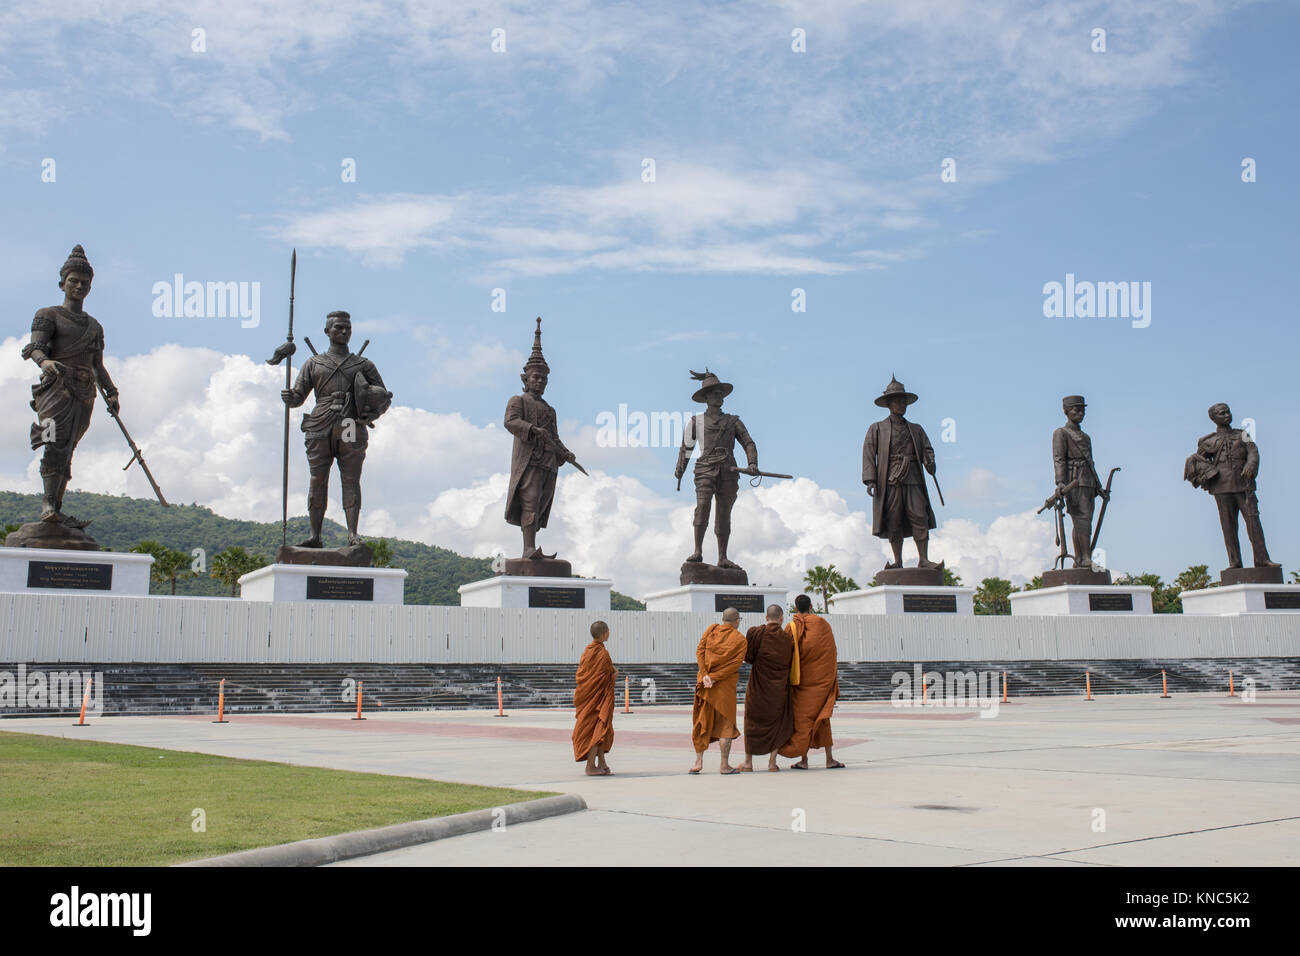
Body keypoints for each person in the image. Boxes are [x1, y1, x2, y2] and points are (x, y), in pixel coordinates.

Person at [22, 245, 119, 527]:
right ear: (62, 283)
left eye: (84, 282)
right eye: (73, 281)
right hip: (56, 388)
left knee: (68, 448)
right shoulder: (48, 314)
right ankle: (48, 504)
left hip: (84, 391)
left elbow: (97, 366)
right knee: (53, 441)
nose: (79, 286)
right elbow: (36, 348)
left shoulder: (94, 326)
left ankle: (57, 507)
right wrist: (44, 363)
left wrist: (112, 392)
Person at [281, 311, 391, 546]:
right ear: (327, 331)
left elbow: (384, 397)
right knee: (316, 479)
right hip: (320, 423)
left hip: (350, 423)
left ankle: (352, 534)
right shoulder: (313, 363)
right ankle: (315, 536)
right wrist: (290, 396)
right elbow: (299, 397)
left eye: (347, 328)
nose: (343, 332)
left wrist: (371, 413)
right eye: (339, 327)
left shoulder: (363, 364)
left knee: (351, 479)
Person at [504, 318, 577, 560]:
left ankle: (533, 546)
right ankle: (528, 548)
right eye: (535, 377)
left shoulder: (550, 409)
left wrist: (565, 452)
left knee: (542, 504)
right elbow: (510, 422)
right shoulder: (518, 401)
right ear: (526, 379)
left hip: (547, 462)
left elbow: (555, 437)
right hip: (529, 461)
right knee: (530, 502)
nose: (539, 381)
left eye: (543, 377)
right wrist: (533, 430)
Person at [674, 369, 758, 568]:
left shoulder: (733, 421)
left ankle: (722, 557)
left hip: (729, 471)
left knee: (723, 514)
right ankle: (698, 550)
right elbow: (686, 448)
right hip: (705, 469)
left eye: (720, 393)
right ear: (706, 398)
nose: (718, 396)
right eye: (714, 393)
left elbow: (749, 443)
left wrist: (752, 463)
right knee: (702, 507)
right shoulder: (696, 422)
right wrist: (680, 468)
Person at [1184, 403, 1280, 571]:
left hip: (1244, 484)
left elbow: (1253, 452)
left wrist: (1251, 465)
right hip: (1221, 486)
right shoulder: (1208, 441)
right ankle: (1234, 562)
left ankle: (1262, 560)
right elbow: (1198, 461)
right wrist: (1204, 474)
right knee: (1229, 527)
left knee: (1253, 522)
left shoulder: (1242, 435)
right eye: (1222, 413)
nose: (1227, 415)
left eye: (1228, 412)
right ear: (1214, 418)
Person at [862, 377, 940, 569]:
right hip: (890, 479)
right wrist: (871, 479)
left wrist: (930, 461)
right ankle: (898, 561)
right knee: (893, 518)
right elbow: (869, 453)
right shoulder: (877, 428)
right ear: (889, 404)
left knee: (919, 515)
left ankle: (923, 559)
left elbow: (927, 450)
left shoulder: (916, 429)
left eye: (903, 401)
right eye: (897, 401)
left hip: (913, 477)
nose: (901, 405)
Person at [779, 594, 843, 769]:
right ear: (811, 607)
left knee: (802, 722)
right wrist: (830, 678)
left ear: (795, 608)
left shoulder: (791, 627)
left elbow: (785, 654)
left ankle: (804, 760)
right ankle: (829, 759)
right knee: (822, 719)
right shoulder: (823, 624)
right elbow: (831, 652)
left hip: (801, 684)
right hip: (821, 681)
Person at [689, 606, 748, 774]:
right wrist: (714, 677)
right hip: (723, 689)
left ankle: (698, 762)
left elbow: (700, 651)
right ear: (737, 621)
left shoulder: (711, 630)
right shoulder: (740, 640)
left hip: (705, 686)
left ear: (723, 619)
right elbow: (734, 665)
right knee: (726, 727)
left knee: (702, 722)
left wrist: (706, 675)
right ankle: (724, 765)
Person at [1052, 396, 1108, 567]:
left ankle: (1081, 558)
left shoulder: (1086, 437)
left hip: (1088, 481)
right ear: (1066, 411)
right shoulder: (1061, 433)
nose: (1080, 413)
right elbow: (1059, 459)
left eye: (1082, 410)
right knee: (1081, 520)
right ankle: (1084, 558)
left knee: (1085, 521)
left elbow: (1091, 462)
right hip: (1073, 482)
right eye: (1076, 409)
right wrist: (1060, 482)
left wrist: (1098, 486)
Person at [737, 604, 794, 773]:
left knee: (752, 722)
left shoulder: (755, 633)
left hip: (758, 686)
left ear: (766, 618)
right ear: (782, 618)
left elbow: (748, 657)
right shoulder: (786, 639)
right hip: (778, 689)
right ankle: (772, 762)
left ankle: (748, 762)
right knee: (777, 722)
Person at [572, 620, 616, 776]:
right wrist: (613, 674)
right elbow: (606, 674)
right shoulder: (602, 654)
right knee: (597, 728)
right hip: (597, 699)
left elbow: (583, 674)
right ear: (604, 633)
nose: (609, 633)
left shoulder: (587, 651)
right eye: (608, 630)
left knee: (601, 728)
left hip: (589, 696)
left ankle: (602, 763)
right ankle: (590, 766)